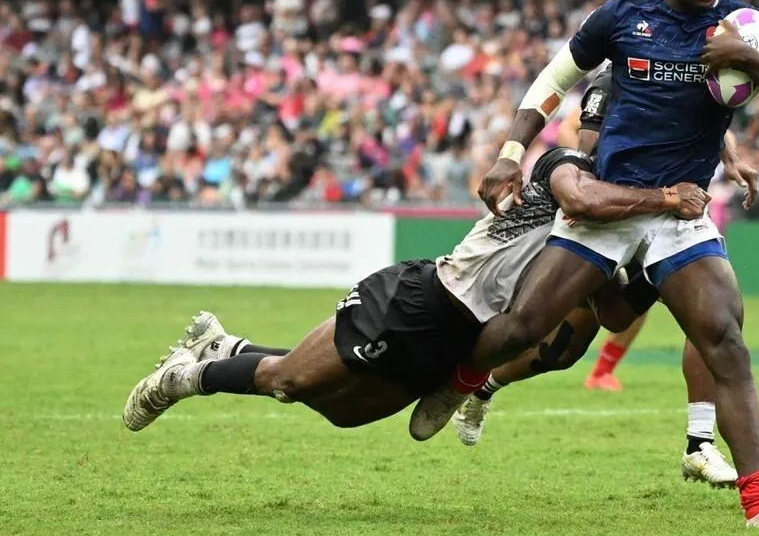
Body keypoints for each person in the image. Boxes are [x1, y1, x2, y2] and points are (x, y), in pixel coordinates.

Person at [408, 0, 759, 530]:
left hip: (681, 212)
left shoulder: (746, 25)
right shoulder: (625, 14)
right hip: (607, 204)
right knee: (525, 329)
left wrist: (747, 57)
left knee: (726, 344)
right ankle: (462, 378)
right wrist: (511, 152)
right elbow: (553, 79)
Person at [121, 144, 712, 435]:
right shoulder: (570, 165)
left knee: (340, 411)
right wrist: (665, 201)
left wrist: (660, 272)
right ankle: (183, 376)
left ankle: (223, 346)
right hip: (429, 300)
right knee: (291, 380)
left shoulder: (634, 225)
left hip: (469, 338)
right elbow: (582, 200)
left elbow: (610, 314)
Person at [454, 66, 750, 488]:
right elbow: (590, 151)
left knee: (709, 315)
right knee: (566, 347)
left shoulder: (683, 71)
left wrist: (730, 155)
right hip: (614, 216)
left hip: (673, 221)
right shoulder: (615, 79)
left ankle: (699, 443)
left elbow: (709, 121)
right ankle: (481, 386)